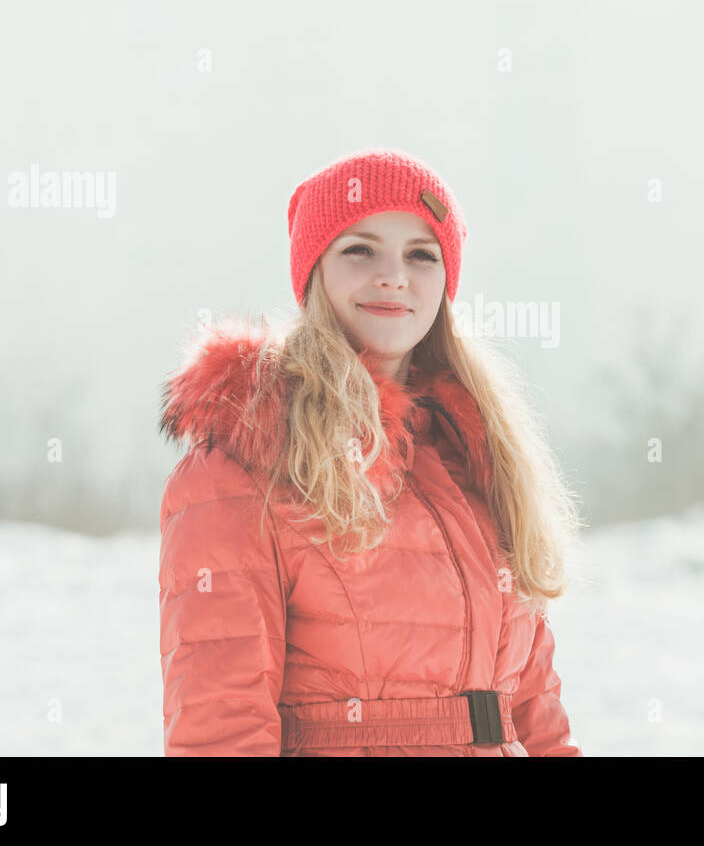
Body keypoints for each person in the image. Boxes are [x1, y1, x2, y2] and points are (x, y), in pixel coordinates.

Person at [156, 147, 585, 756]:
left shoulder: (480, 455)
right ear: (315, 273)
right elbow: (219, 723)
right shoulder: (244, 463)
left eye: (421, 254)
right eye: (360, 249)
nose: (393, 276)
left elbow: (533, 708)